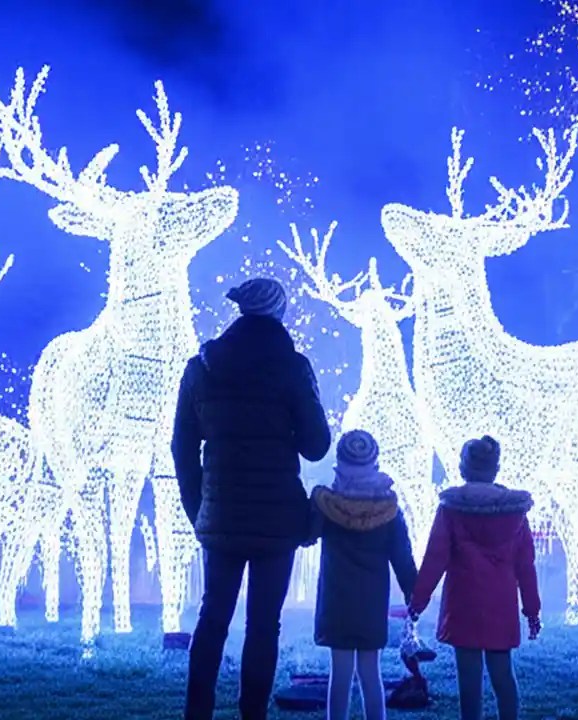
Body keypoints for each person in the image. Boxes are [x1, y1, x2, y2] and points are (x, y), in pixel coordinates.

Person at [172, 277, 332, 720]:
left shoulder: (201, 367)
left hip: (220, 516)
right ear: (278, 312)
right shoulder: (293, 367)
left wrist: (199, 508)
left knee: (213, 618)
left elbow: (182, 447)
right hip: (277, 521)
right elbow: (316, 445)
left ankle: (196, 712)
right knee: (265, 626)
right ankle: (253, 714)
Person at [407, 435, 541, 720]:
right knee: (503, 676)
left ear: (463, 469)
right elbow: (525, 566)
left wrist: (418, 601)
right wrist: (532, 611)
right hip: (500, 606)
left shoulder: (451, 509)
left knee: (468, 683)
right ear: (495, 469)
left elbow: (435, 559)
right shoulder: (514, 513)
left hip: (463, 605)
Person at [308, 429, 418, 720]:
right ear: (374, 463)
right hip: (371, 603)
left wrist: (311, 500)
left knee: (340, 675)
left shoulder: (327, 504)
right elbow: (402, 558)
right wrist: (414, 594)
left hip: (336, 600)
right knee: (371, 673)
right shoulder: (389, 509)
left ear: (340, 463)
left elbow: (307, 535)